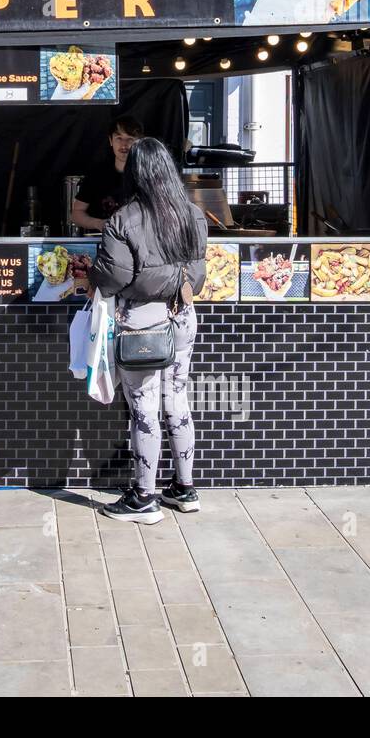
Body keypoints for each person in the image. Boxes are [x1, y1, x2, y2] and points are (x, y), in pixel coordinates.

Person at [88, 137, 207, 523]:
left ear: (136, 173)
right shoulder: (192, 213)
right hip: (184, 316)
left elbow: (115, 276)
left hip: (143, 321)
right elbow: (198, 274)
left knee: (143, 407)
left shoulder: (124, 219)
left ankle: (143, 497)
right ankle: (185, 490)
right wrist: (174, 279)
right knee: (177, 398)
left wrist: (91, 272)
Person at [71, 113, 143, 233]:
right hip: (104, 244)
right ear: (110, 140)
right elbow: (76, 214)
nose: (124, 144)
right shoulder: (96, 175)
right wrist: (98, 223)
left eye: (130, 138)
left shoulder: (148, 175)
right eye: (118, 138)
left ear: (139, 141)